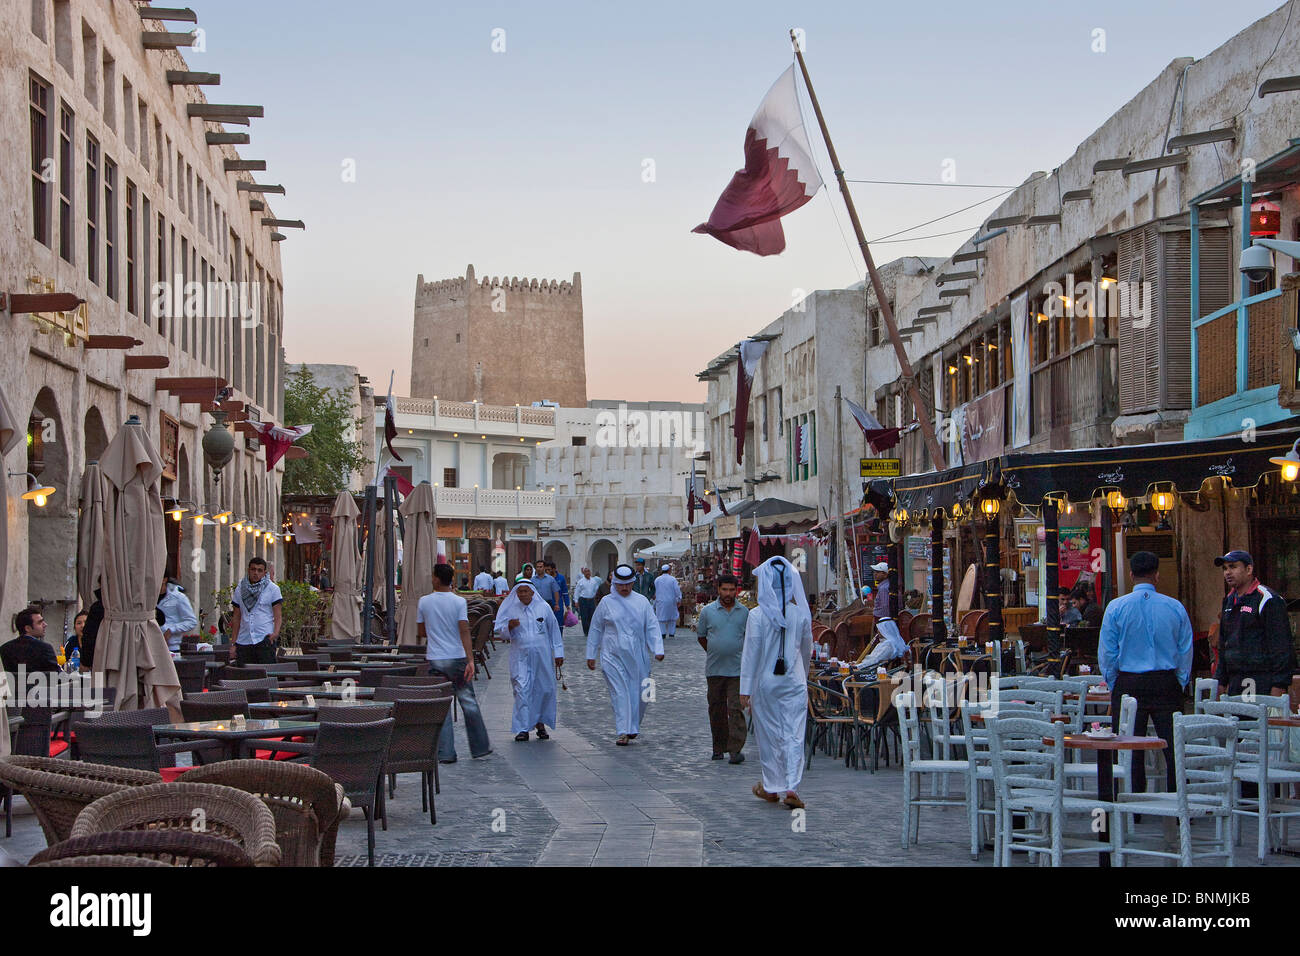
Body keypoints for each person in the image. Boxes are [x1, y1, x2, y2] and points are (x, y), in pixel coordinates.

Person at [1098, 550, 1193, 796]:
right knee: (1173, 747)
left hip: (1129, 682)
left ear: (1131, 575)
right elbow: (1185, 650)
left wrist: (1114, 682)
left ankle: (1133, 801)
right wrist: (1179, 681)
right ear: (1157, 575)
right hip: (1166, 682)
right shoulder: (1175, 607)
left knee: (1129, 747)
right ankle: (1177, 801)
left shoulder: (1116, 607)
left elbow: (1107, 653)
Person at [740, 556, 814, 810]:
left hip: (766, 683)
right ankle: (791, 785)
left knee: (770, 735)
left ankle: (772, 785)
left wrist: (744, 689)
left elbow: (751, 653)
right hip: (794, 682)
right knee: (794, 734)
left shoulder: (757, 615)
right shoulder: (800, 614)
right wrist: (802, 675)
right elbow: (806, 650)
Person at [417, 563, 492, 763]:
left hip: (435, 659)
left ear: (435, 578)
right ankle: (480, 746)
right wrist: (470, 659)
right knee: (468, 702)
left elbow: (421, 632)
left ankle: (446, 752)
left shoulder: (424, 602)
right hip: (457, 658)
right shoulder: (459, 602)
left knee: (442, 706)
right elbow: (464, 630)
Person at [586, 563, 664, 745]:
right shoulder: (606, 602)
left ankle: (633, 726)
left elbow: (652, 626)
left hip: (639, 655)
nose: (624, 588)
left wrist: (658, 649)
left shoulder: (642, 602)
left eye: (628, 584)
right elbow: (596, 628)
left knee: (644, 693)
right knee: (620, 692)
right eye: (621, 584)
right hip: (612, 654)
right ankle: (623, 731)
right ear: (614, 583)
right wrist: (591, 654)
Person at [1214, 549, 1297, 697]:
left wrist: (1279, 684)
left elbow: (1281, 646)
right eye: (1225, 568)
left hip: (1262, 680)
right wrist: (1220, 681)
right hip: (1235, 681)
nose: (1227, 572)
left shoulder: (1267, 599)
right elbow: (1223, 645)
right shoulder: (1228, 601)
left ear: (1248, 569)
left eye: (1233, 567)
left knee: (1260, 720)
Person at [494, 581, 564, 742]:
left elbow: (554, 631)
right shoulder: (511, 609)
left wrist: (558, 653)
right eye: (520, 592)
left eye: (526, 591)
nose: (523, 594)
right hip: (520, 657)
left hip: (542, 656)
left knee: (543, 689)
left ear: (532, 592)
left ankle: (540, 723)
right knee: (522, 689)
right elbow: (502, 635)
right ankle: (522, 728)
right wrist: (509, 627)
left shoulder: (543, 608)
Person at [695, 572, 748, 764]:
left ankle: (735, 750)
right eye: (724, 589)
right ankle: (718, 747)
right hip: (715, 669)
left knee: (735, 709)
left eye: (732, 590)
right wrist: (714, 651)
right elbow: (701, 636)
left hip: (737, 670)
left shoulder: (744, 613)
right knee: (716, 709)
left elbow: (749, 639)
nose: (728, 593)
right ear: (718, 590)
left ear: (736, 591)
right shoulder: (708, 612)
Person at [228, 558, 283, 664]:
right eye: (253, 569)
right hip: (244, 640)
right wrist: (233, 643)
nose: (256, 573)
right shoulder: (240, 589)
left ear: (264, 573)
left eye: (259, 570)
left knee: (266, 675)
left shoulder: (272, 589)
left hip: (264, 639)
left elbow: (278, 615)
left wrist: (275, 633)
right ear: (248, 570)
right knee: (245, 676)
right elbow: (236, 617)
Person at [862, 562, 906, 668]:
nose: (875, 574)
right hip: (883, 621)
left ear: (885, 574)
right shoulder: (887, 586)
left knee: (881, 646)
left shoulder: (884, 588)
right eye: (875, 572)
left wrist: (883, 624)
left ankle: (876, 667)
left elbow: (886, 607)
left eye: (878, 572)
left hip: (882, 622)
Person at [2, 607, 60, 674]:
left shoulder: (5, 649)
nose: (45, 625)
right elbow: (57, 676)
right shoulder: (44, 648)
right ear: (28, 628)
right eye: (40, 623)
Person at [157, 578, 198, 653]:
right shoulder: (149, 596)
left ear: (164, 579)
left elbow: (191, 621)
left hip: (171, 648)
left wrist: (171, 630)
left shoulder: (179, 597)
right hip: (151, 646)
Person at [653, 564, 683, 639]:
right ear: (669, 570)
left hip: (660, 601)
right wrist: (679, 599)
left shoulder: (657, 579)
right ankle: (671, 633)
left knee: (661, 618)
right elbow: (677, 590)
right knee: (672, 618)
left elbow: (654, 590)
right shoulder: (672, 579)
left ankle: (662, 633)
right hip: (671, 601)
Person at [573, 567, 601, 636]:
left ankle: (591, 630)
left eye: (589, 571)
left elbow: (596, 590)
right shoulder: (581, 581)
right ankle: (586, 631)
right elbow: (577, 591)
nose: (588, 573)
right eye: (586, 572)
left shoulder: (593, 581)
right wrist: (576, 601)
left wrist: (595, 598)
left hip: (591, 600)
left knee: (591, 616)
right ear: (584, 573)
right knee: (584, 616)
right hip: (583, 600)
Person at [552, 562, 570, 631]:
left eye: (549, 569)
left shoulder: (561, 578)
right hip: (549, 602)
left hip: (558, 603)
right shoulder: (547, 578)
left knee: (559, 622)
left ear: (554, 569)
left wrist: (567, 604)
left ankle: (559, 638)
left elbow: (565, 592)